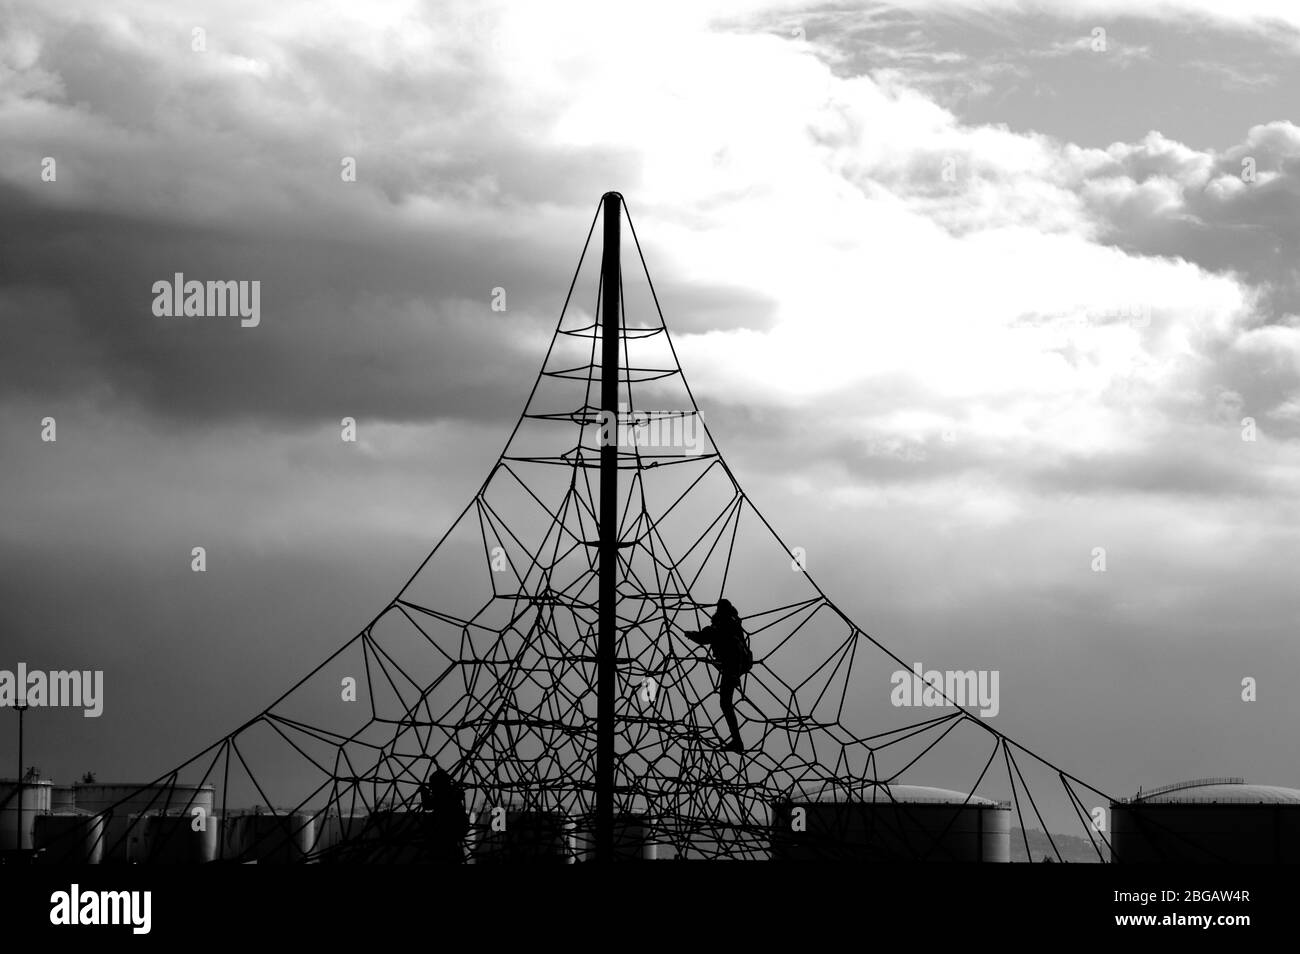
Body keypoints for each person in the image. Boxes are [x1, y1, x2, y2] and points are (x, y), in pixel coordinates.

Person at [685, 599, 748, 754]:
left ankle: (737, 742)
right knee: (725, 702)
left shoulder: (724, 622)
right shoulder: (732, 622)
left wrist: (691, 634)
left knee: (725, 702)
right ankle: (737, 741)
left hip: (732, 663)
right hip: (735, 663)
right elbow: (709, 635)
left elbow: (706, 636)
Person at [419, 765, 470, 862]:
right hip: (450, 840)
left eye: (433, 785)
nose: (432, 788)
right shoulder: (452, 795)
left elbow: (429, 805)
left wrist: (423, 793)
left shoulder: (445, 797)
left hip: (445, 839)